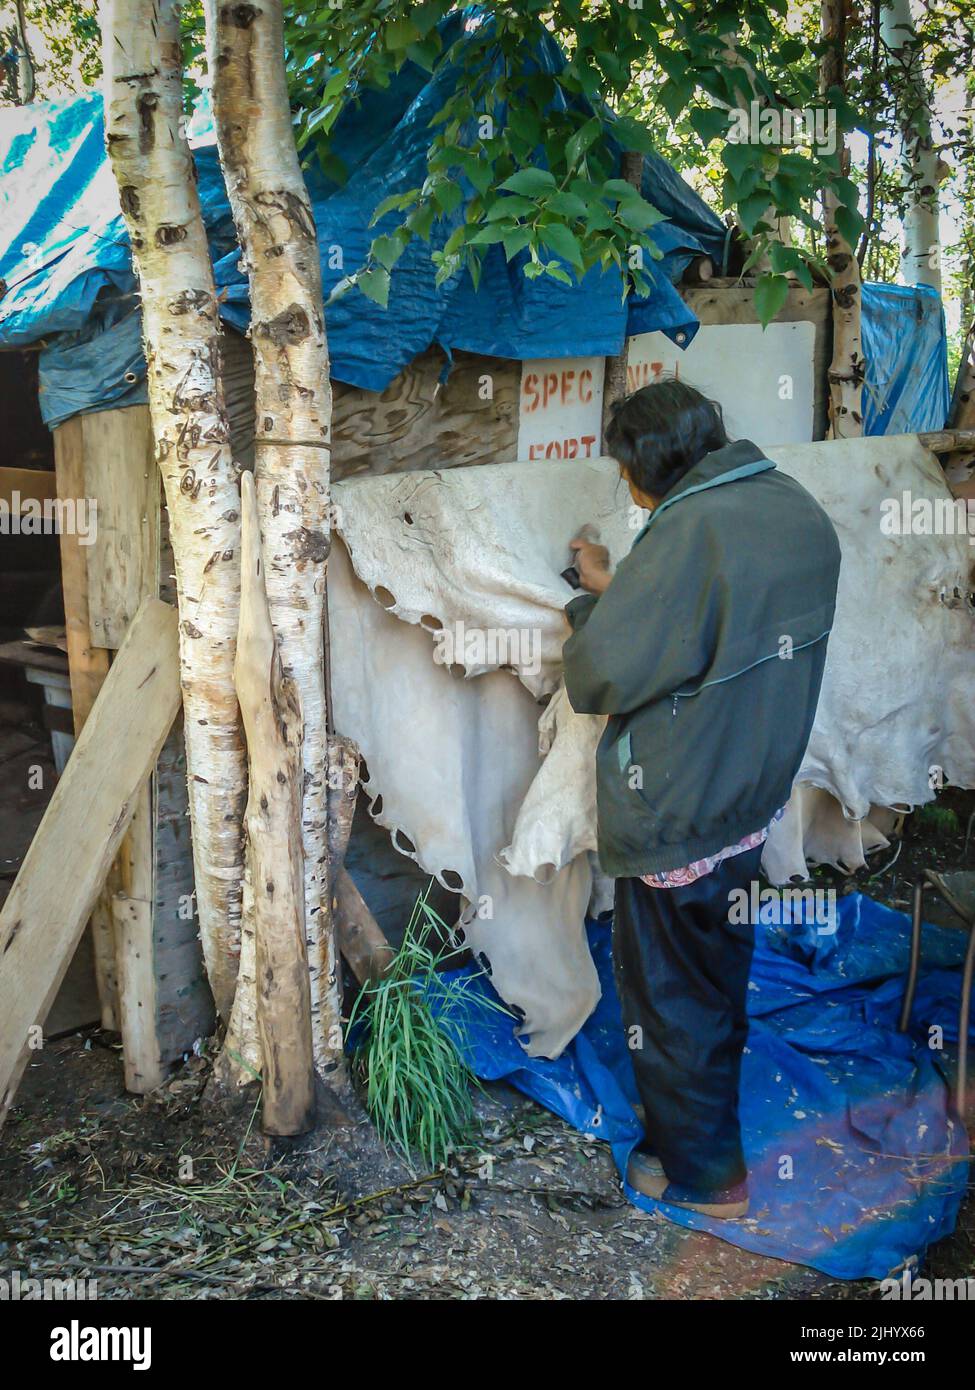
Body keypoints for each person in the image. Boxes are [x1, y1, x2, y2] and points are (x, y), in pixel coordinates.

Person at [562, 379, 841, 1219]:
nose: (627, 490)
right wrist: (625, 585)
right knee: (715, 969)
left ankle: (706, 1174)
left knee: (669, 994)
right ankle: (688, 1128)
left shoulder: (687, 531)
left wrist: (586, 607)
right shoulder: (784, 500)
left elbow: (602, 675)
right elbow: (719, 625)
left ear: (653, 465)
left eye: (626, 473)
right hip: (749, 796)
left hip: (678, 810)